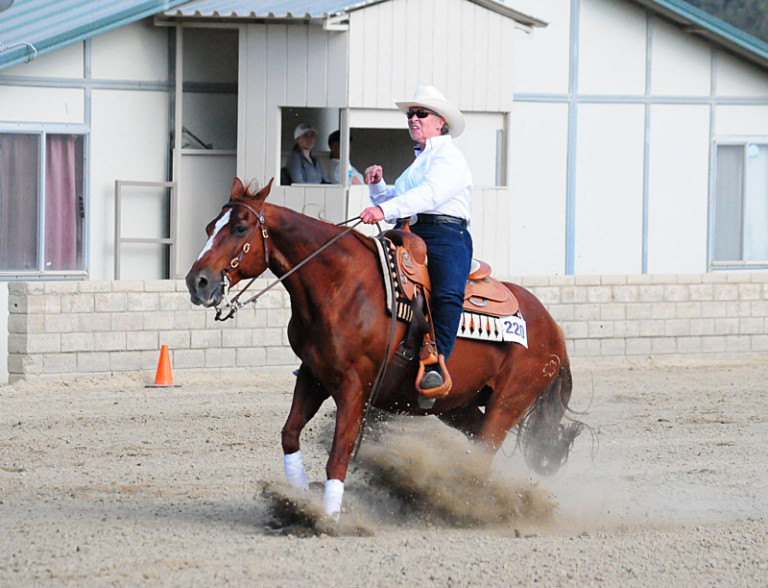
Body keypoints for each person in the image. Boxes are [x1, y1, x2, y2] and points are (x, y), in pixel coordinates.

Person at [360, 85, 473, 394]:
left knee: (449, 294)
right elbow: (401, 197)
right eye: (410, 114)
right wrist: (379, 186)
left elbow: (428, 196)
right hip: (410, 232)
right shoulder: (418, 164)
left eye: (420, 113)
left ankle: (437, 364)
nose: (412, 119)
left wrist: (382, 208)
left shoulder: (449, 156)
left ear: (440, 122)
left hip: (445, 235)